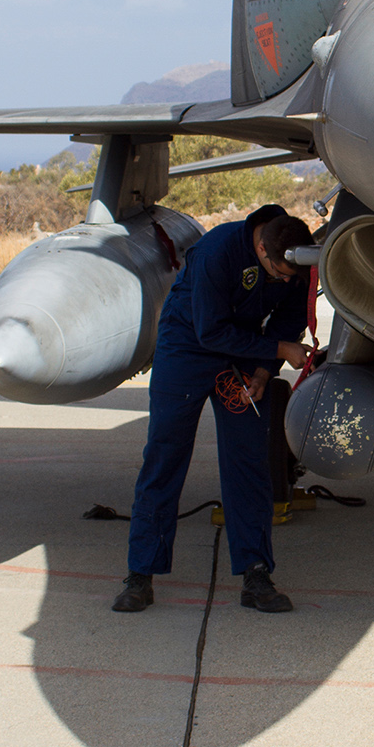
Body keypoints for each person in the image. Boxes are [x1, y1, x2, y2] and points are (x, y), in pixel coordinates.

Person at [112, 203, 314, 614]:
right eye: (279, 273)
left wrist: (263, 369)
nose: (286, 280)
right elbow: (210, 330)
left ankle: (256, 573)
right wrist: (277, 349)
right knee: (165, 456)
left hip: (243, 353)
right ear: (260, 250)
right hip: (187, 349)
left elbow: (289, 317)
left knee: (248, 461)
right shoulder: (217, 251)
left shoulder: (296, 254)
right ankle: (140, 574)